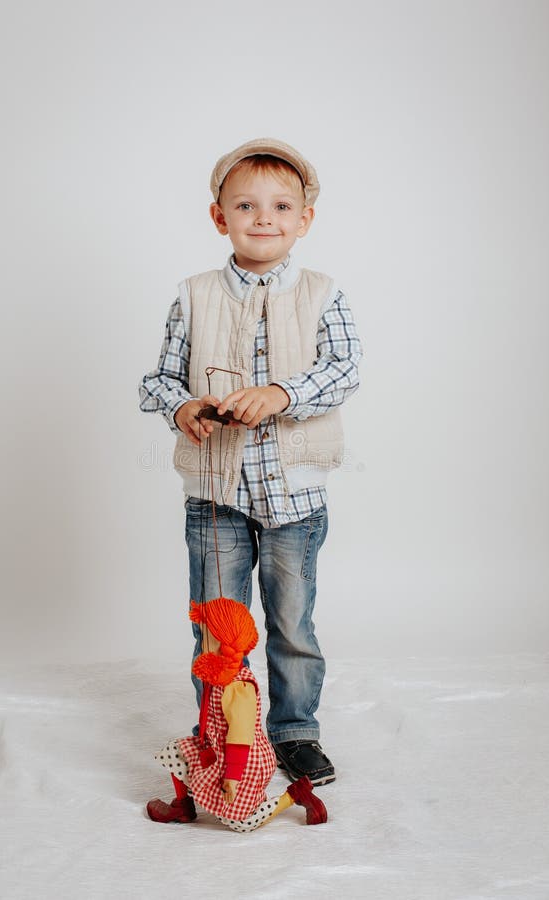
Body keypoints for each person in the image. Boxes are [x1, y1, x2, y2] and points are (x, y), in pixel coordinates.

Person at [139, 137, 363, 785]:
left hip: (297, 497)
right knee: (218, 626)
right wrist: (183, 408)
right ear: (220, 218)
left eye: (280, 206)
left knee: (291, 623)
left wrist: (282, 394)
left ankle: (294, 732)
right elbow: (160, 381)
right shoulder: (193, 295)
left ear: (304, 219)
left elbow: (344, 369)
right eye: (245, 205)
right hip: (216, 498)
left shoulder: (323, 294)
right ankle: (219, 732)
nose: (263, 218)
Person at [146, 597, 327, 831]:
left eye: (205, 636)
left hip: (244, 759)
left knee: (240, 822)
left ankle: (293, 796)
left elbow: (240, 736)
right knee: (176, 751)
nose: (202, 641)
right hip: (218, 747)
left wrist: (232, 777)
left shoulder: (238, 687)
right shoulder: (219, 676)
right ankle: (183, 805)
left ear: (220, 639)